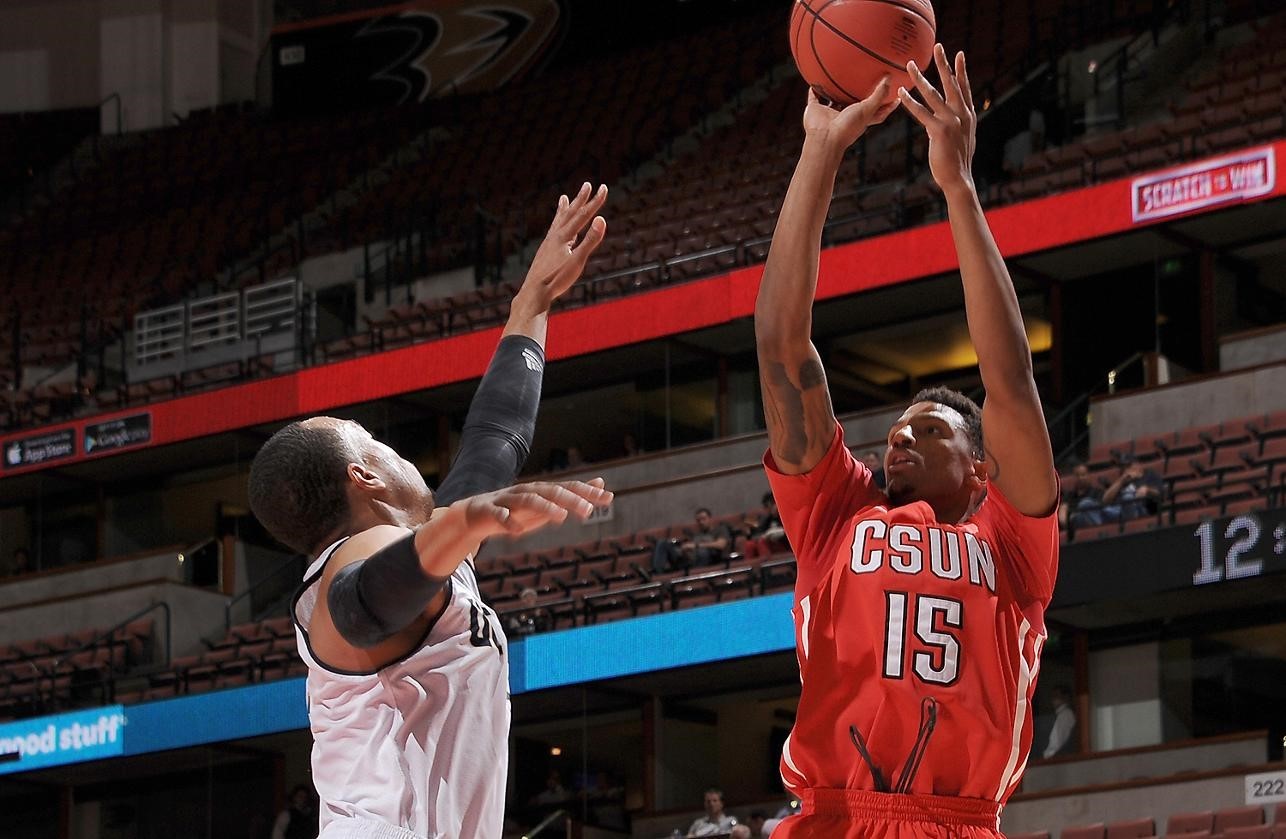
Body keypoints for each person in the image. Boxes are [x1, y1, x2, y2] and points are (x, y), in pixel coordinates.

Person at [754, 46, 1059, 838]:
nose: (899, 441)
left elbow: (1011, 381)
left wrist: (958, 188)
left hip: (957, 820)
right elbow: (784, 350)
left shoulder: (1013, 540)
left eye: (928, 430)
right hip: (833, 816)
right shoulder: (837, 515)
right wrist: (818, 153)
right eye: (892, 433)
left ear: (980, 466)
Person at [247, 183, 614, 839]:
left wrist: (532, 302)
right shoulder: (347, 568)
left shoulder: (433, 551)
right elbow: (362, 605)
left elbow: (496, 441)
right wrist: (459, 526)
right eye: (380, 443)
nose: (401, 455)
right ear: (364, 477)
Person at [652, 508, 732, 573]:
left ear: (710, 519)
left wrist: (696, 545)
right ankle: (658, 575)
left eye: (703, 519)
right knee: (662, 543)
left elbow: (721, 545)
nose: (701, 522)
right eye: (698, 520)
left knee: (703, 552)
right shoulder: (697, 535)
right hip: (690, 561)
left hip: (710, 558)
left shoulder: (720, 529)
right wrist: (685, 551)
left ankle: (696, 573)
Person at [1101, 456, 1163, 522]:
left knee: (1128, 497)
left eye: (1128, 466)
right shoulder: (1122, 481)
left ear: (1138, 465)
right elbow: (1105, 500)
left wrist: (1148, 490)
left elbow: (1160, 494)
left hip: (1143, 508)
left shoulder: (1150, 474)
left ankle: (1131, 526)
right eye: (1123, 467)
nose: (1125, 469)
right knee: (1094, 506)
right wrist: (1121, 480)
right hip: (1121, 510)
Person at [742, 492, 788, 559]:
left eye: (772, 505)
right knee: (749, 544)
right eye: (767, 507)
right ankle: (749, 567)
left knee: (762, 542)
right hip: (769, 544)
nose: (770, 509)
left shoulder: (785, 516)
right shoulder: (766, 519)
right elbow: (758, 532)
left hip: (783, 544)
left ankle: (768, 566)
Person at [1059, 461, 1104, 529]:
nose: (1080, 478)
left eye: (1083, 475)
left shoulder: (1097, 492)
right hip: (1074, 526)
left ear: (1089, 475)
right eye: (1077, 475)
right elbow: (1063, 514)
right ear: (1073, 477)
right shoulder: (1069, 495)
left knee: (1085, 504)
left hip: (1092, 524)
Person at [1042, 685, 1077, 758]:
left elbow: (1057, 740)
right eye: (1053, 696)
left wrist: (1048, 756)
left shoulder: (1065, 715)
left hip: (1057, 758)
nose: (1054, 699)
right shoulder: (1060, 715)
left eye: (1057, 696)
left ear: (1065, 697)